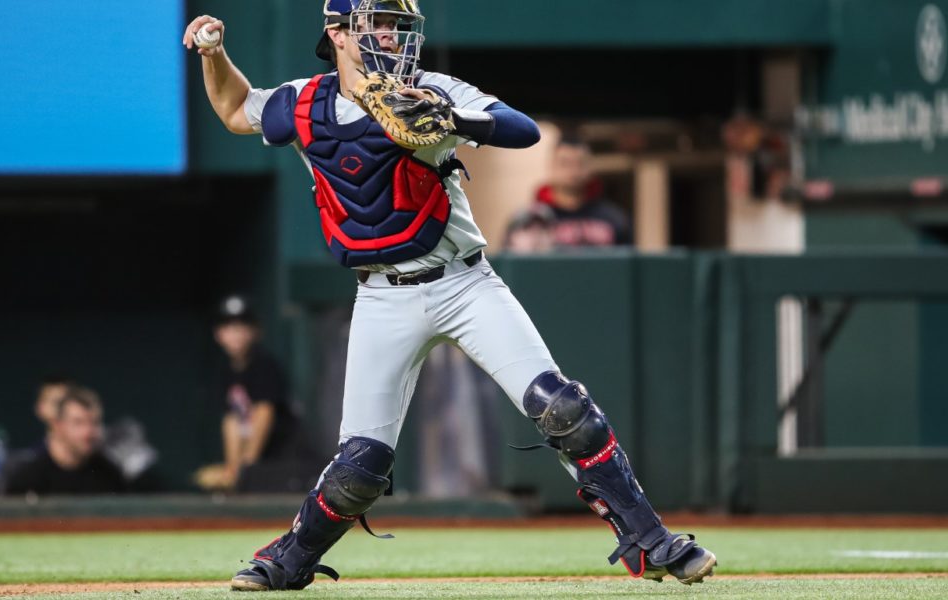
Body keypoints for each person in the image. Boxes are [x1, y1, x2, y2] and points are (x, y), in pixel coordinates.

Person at [184, 0, 716, 590]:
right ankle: (286, 561)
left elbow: (521, 129)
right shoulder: (302, 102)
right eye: (376, 23)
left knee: (564, 409)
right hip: (381, 295)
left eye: (398, 24)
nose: (391, 34)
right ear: (336, 32)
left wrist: (454, 119)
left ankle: (650, 541)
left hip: (464, 282)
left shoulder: (431, 87)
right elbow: (234, 108)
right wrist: (213, 55)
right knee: (359, 468)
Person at [194, 296, 298, 491]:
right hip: (259, 464)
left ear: (255, 331)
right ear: (218, 334)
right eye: (229, 326)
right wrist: (232, 469)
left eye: (242, 326)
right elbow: (232, 420)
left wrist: (247, 470)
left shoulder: (263, 365)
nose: (235, 333)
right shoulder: (226, 370)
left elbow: (263, 414)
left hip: (283, 460)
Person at [506, 136, 633, 252]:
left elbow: (626, 267)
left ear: (590, 168)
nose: (573, 170)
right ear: (551, 166)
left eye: (580, 163)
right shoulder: (527, 221)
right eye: (565, 163)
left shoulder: (614, 218)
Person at [6, 386, 126, 495]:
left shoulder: (110, 476)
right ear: (58, 425)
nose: (88, 432)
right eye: (78, 423)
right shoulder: (28, 480)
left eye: (94, 423)